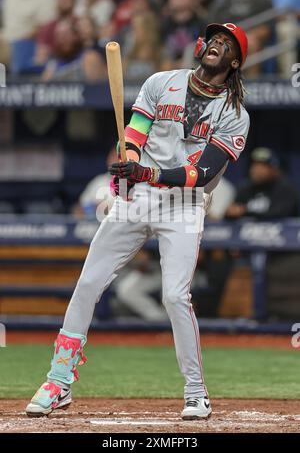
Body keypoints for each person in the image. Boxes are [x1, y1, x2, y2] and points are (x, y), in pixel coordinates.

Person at [26, 22, 250, 420]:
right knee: (89, 281)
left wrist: (149, 174)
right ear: (201, 46)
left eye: (226, 43)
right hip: (139, 197)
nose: (217, 43)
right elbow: (134, 132)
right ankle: (58, 381)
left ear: (234, 61)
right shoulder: (161, 82)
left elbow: (200, 173)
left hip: (185, 203)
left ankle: (196, 391)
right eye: (213, 38)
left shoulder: (234, 115)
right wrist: (127, 158)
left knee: (175, 295)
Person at [225, 147, 299, 219]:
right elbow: (232, 211)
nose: (257, 170)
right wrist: (230, 213)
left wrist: (244, 212)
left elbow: (278, 214)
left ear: (274, 170)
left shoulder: (286, 189)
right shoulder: (245, 188)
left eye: (262, 166)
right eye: (254, 166)